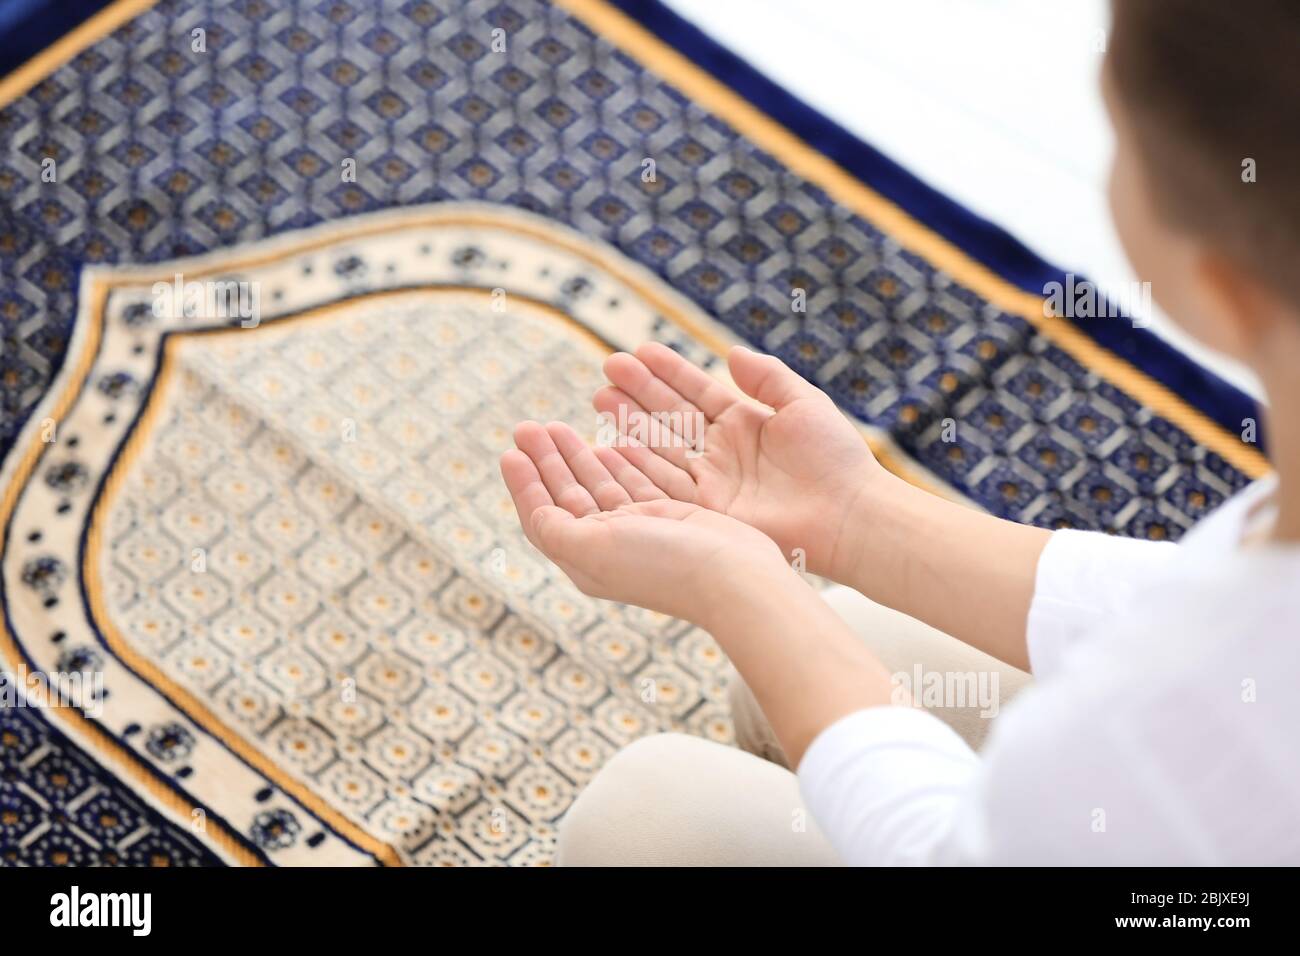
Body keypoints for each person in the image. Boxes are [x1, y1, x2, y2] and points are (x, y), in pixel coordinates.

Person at [498, 0, 1300, 865]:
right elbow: (1225, 608)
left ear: (1220, 286)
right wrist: (857, 517)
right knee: (872, 643)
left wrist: (740, 591)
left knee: (640, 812)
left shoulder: (1134, 748)